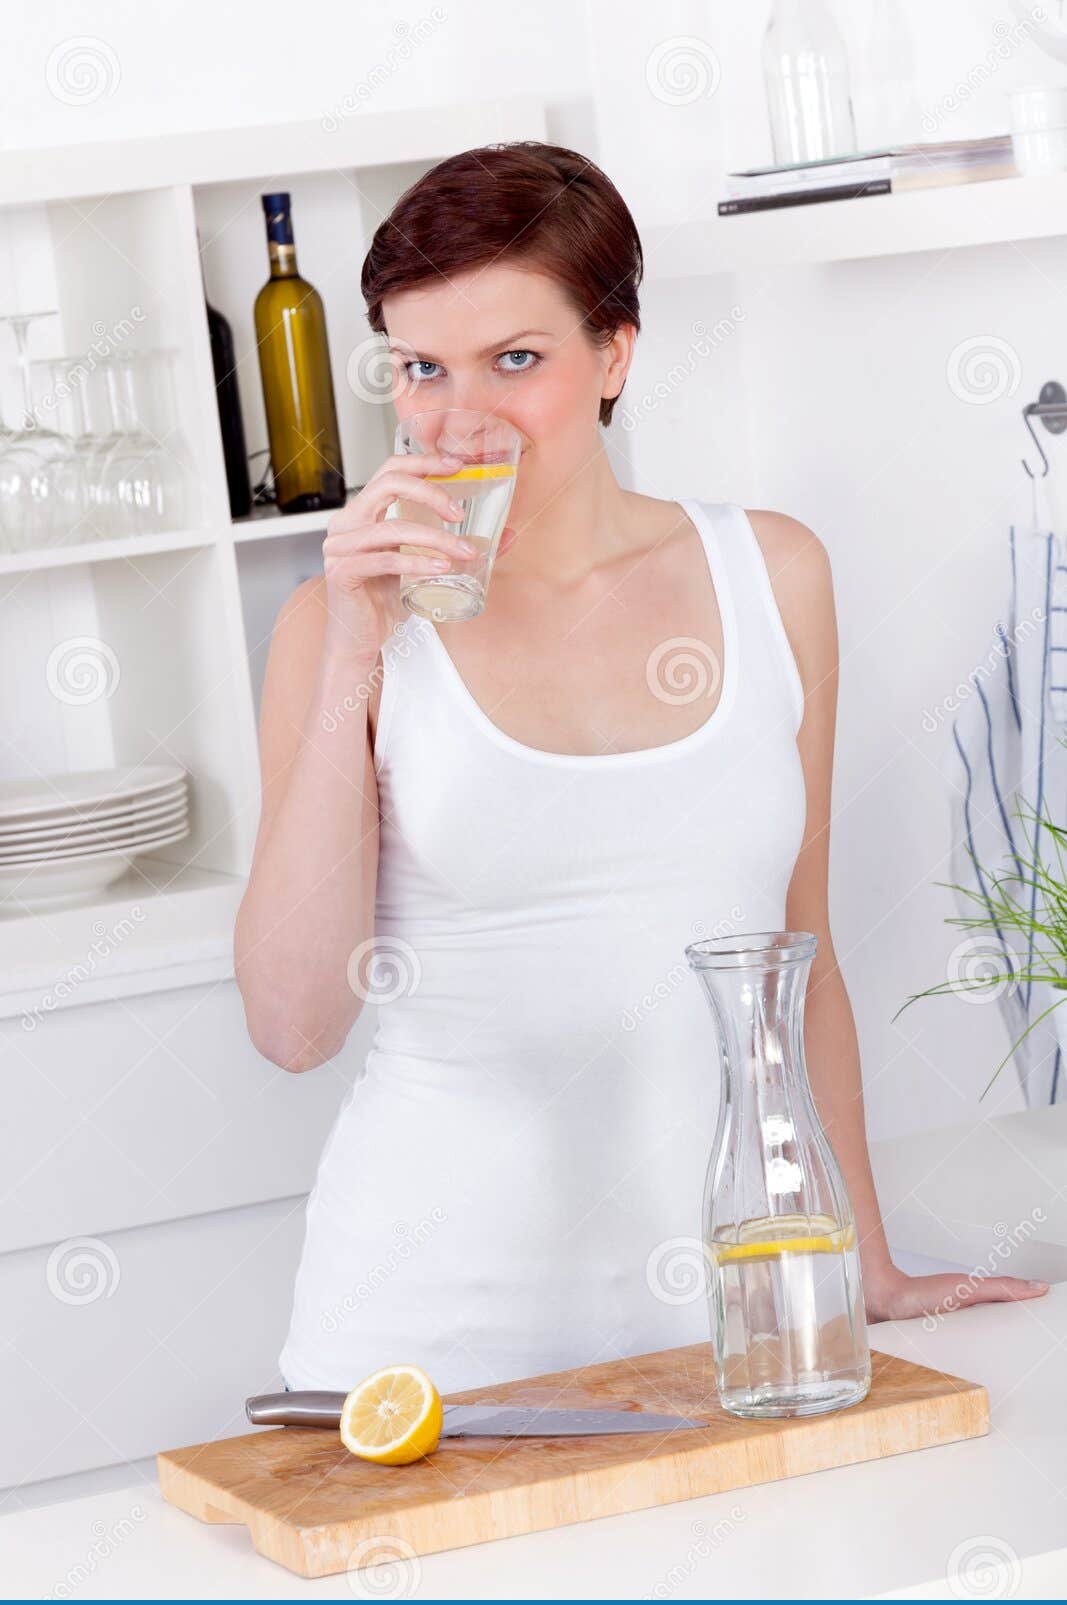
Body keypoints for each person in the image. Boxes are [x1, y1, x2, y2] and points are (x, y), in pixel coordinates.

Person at [234, 142, 1048, 1393]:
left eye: (517, 359)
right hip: (428, 1346)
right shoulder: (338, 631)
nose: (462, 416)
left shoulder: (770, 576)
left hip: (736, 1322)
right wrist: (354, 642)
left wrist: (862, 1268)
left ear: (614, 352)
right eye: (420, 369)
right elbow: (294, 1025)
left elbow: (802, 956)